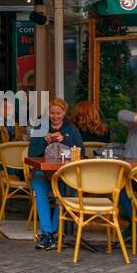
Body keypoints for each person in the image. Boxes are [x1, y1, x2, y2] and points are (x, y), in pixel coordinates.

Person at [29, 98, 84, 250]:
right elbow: (32, 154)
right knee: (39, 188)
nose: (55, 116)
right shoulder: (40, 127)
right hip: (42, 171)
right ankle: (48, 232)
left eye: (58, 113)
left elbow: (81, 152)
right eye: (52, 113)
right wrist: (44, 141)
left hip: (63, 172)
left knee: (64, 190)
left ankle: (51, 232)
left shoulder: (71, 130)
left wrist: (65, 142)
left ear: (64, 113)